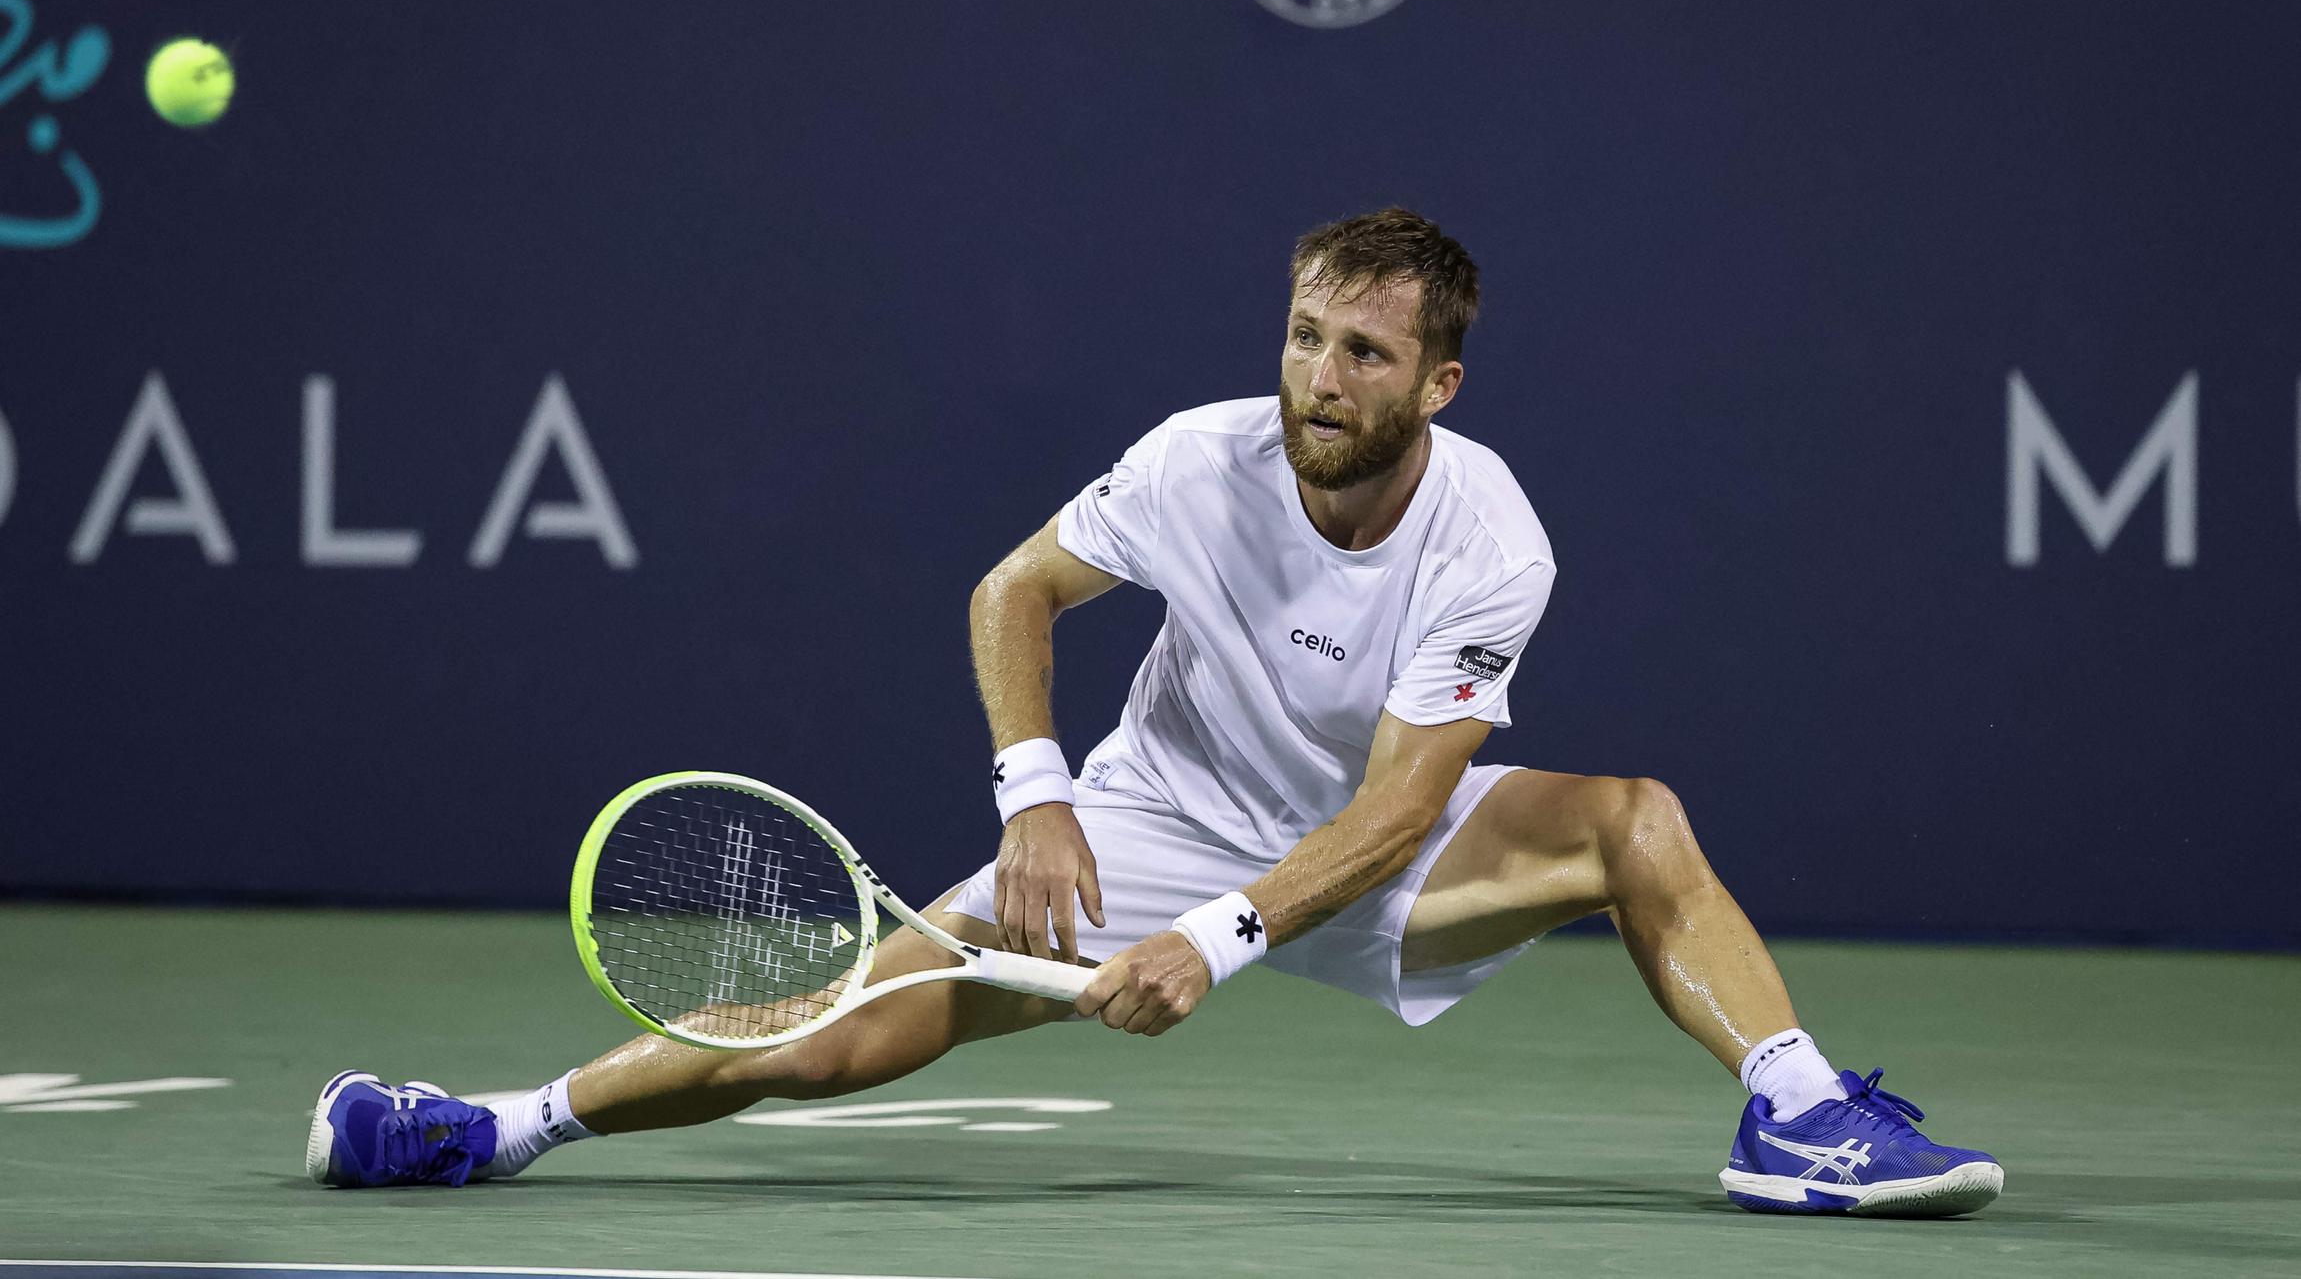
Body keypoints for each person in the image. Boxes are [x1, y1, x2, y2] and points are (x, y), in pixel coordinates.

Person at [307, 208, 2001, 1216]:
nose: (1317, 379)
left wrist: (1223, 940)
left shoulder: (1492, 536)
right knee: (825, 1033)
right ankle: (495, 1127)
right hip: (1151, 817)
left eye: (1359, 354)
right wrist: (1036, 794)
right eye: (1301, 337)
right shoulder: (1202, 459)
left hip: (1377, 849)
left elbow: (1402, 812)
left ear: (1436, 384)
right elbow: (1012, 592)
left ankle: (1791, 1112)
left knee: (1637, 821)